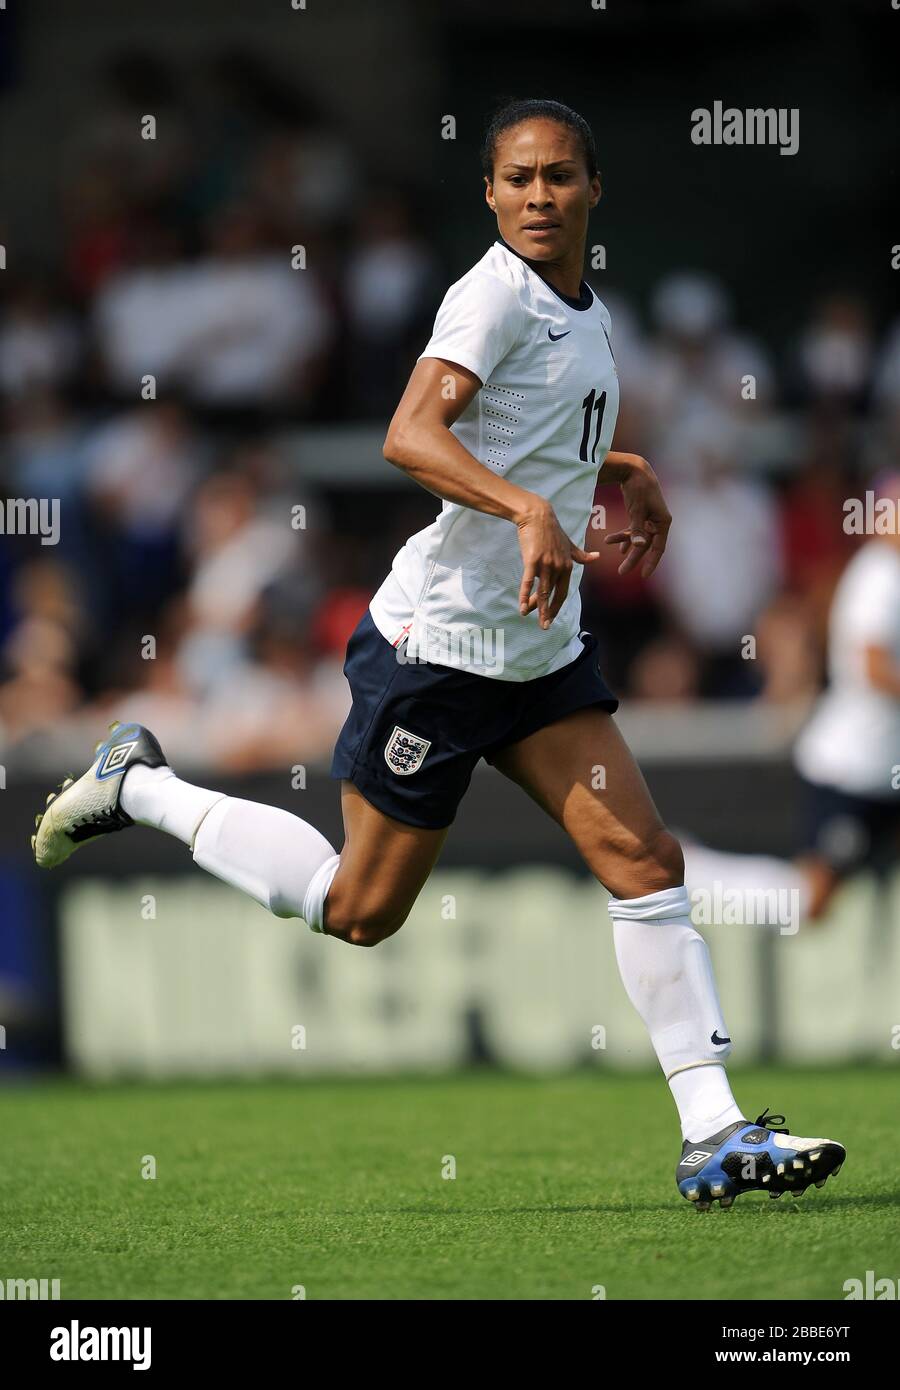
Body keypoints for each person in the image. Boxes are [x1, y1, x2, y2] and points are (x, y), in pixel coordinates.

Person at [32, 98, 844, 1210]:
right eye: (518, 179)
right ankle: (147, 785)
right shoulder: (489, 294)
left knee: (644, 863)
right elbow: (409, 434)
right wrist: (524, 510)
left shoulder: (588, 310)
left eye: (560, 177)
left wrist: (622, 469)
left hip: (539, 658)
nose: (539, 197)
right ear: (492, 194)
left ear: (595, 188)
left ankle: (713, 1131)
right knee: (359, 910)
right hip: (441, 651)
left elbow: (540, 433)